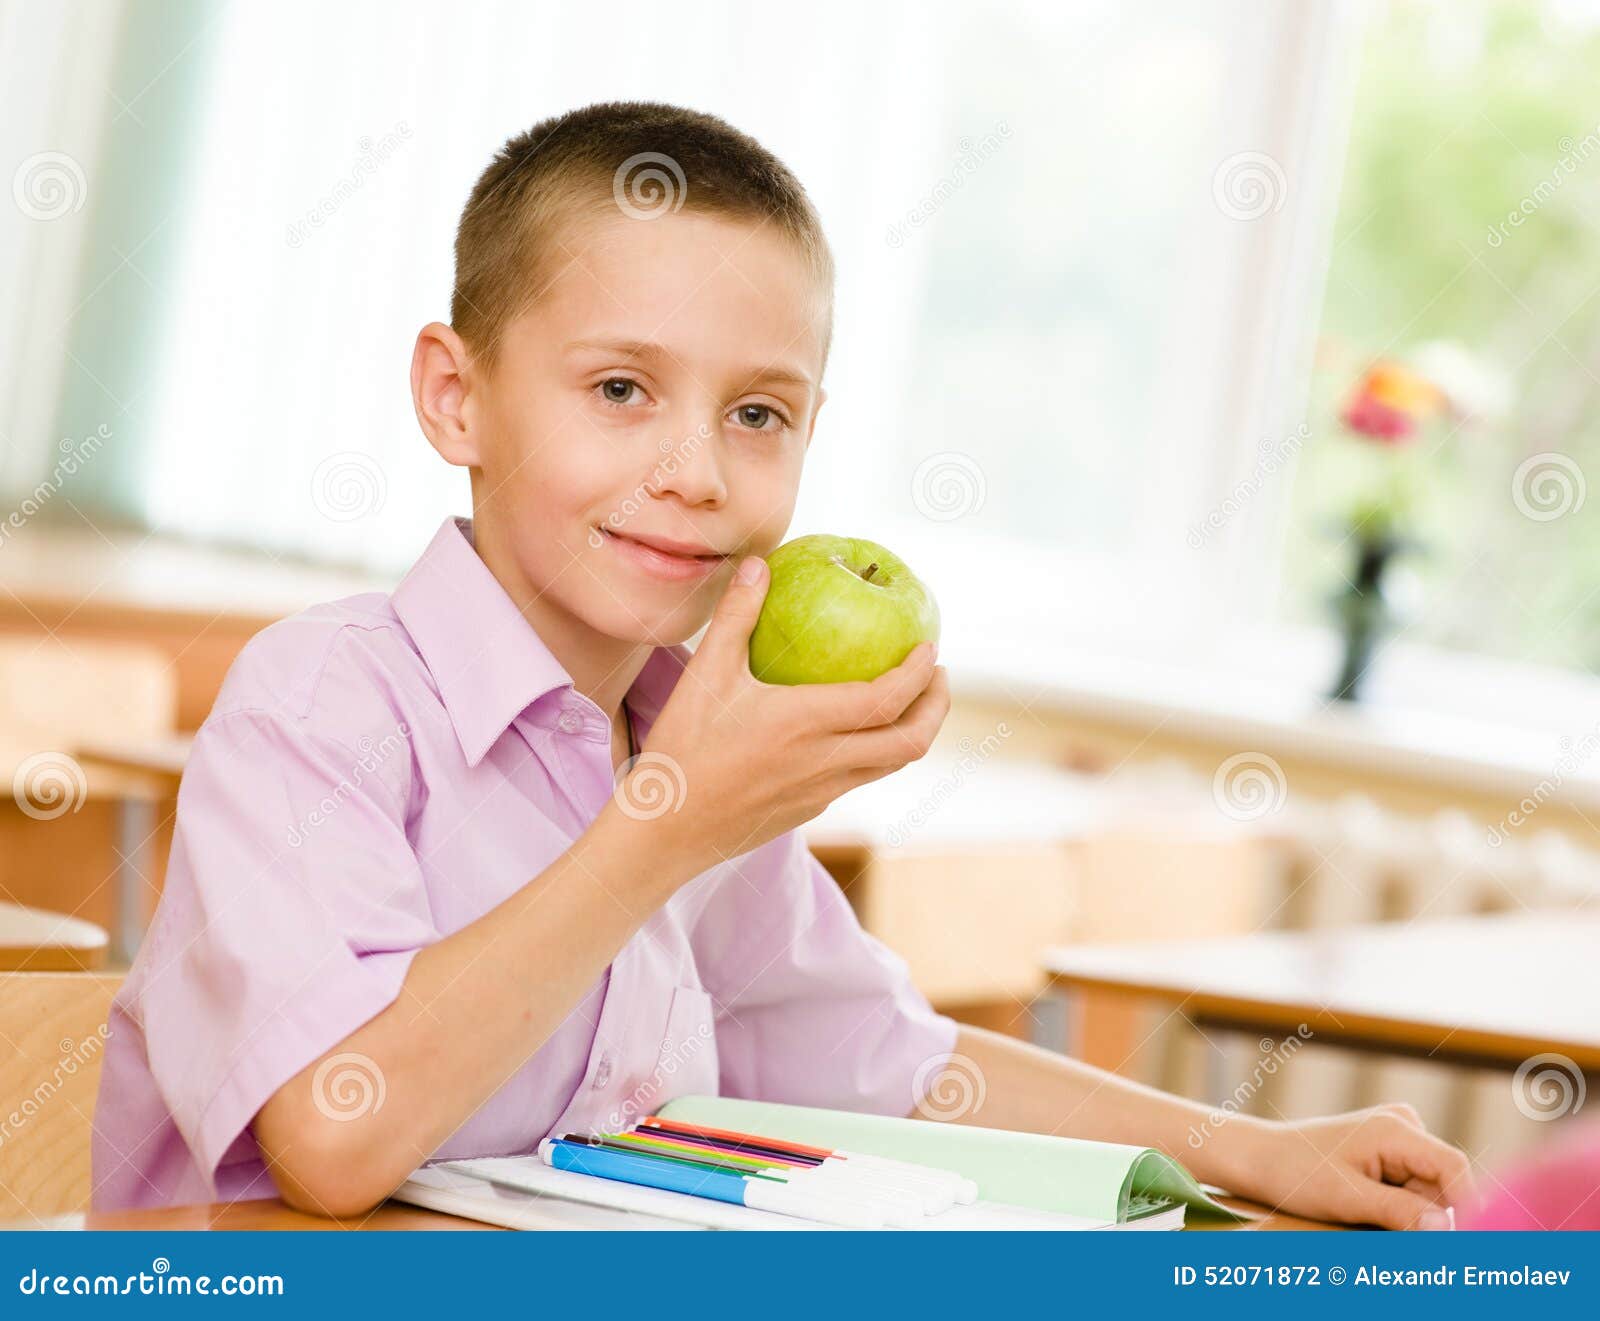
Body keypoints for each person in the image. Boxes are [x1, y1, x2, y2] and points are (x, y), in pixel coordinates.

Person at [91, 101, 1469, 1229]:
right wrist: (667, 821)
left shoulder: (684, 741)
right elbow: (336, 1142)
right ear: (460, 396)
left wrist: (1242, 1145)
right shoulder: (323, 706)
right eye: (620, 389)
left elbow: (894, 1069)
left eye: (758, 413)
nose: (693, 472)